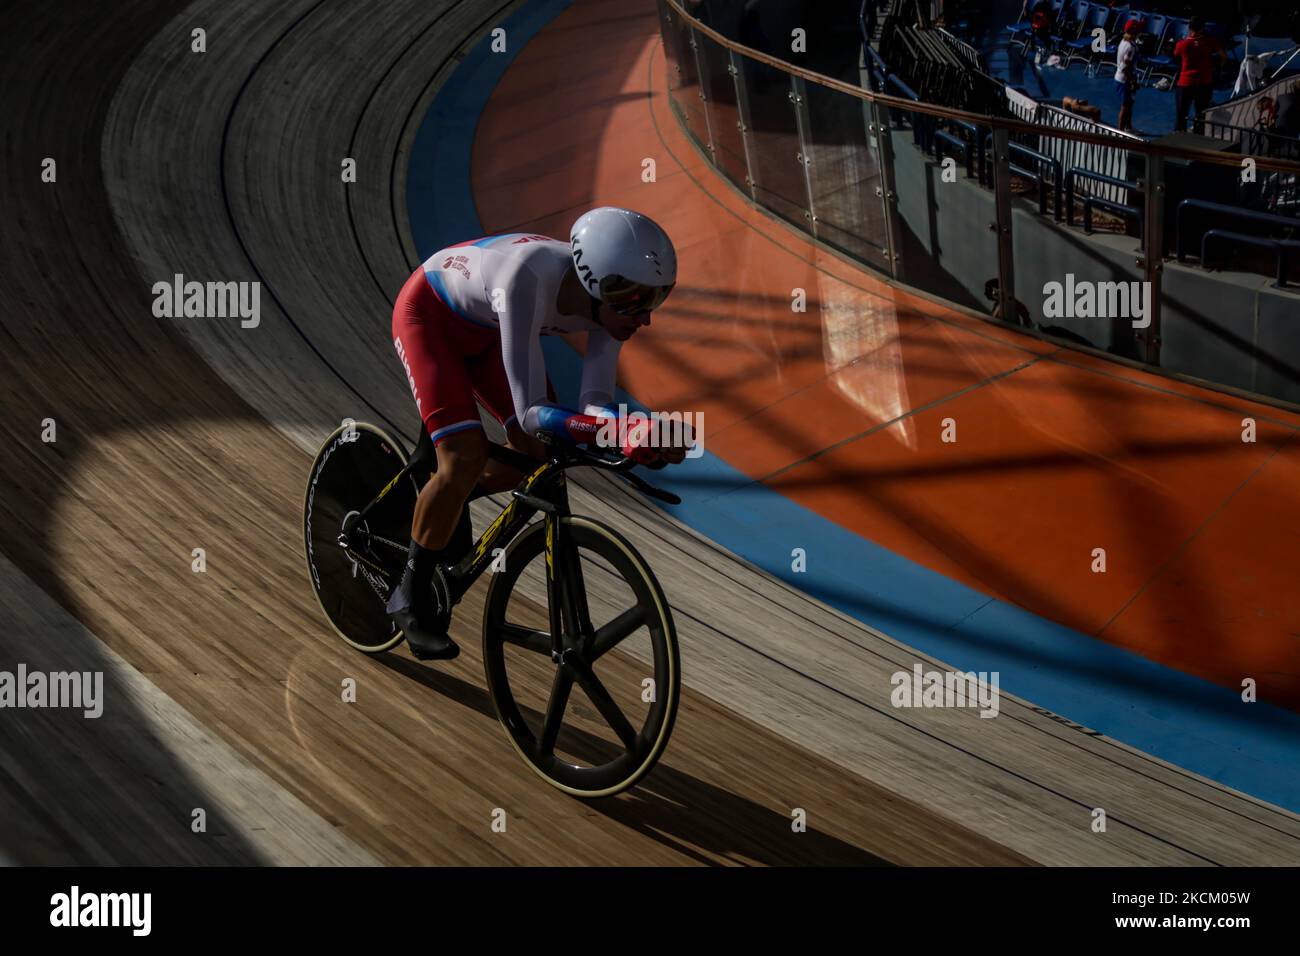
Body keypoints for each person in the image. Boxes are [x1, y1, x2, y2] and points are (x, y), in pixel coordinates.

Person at [386, 208, 686, 660]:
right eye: (631, 300)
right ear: (592, 281)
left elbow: (594, 406)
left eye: (655, 299)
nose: (643, 317)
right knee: (463, 457)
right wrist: (616, 430)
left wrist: (630, 431)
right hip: (429, 319)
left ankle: (438, 508)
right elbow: (531, 413)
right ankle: (406, 597)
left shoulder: (614, 307)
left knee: (536, 458)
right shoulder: (526, 277)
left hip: (488, 332)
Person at [1173, 16, 1223, 134]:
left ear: (1189, 27)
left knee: (1181, 115)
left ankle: (1178, 141)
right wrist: (1215, 67)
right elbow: (1223, 57)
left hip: (1185, 83)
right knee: (1201, 114)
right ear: (1203, 28)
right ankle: (1198, 140)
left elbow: (1176, 56)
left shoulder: (1182, 44)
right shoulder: (1210, 42)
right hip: (1204, 83)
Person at [1114, 19, 1140, 132]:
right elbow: (1125, 66)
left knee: (1129, 104)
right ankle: (1119, 132)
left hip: (1121, 78)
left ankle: (1128, 128)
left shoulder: (1124, 41)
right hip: (1125, 80)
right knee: (1125, 106)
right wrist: (1132, 80)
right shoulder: (1131, 47)